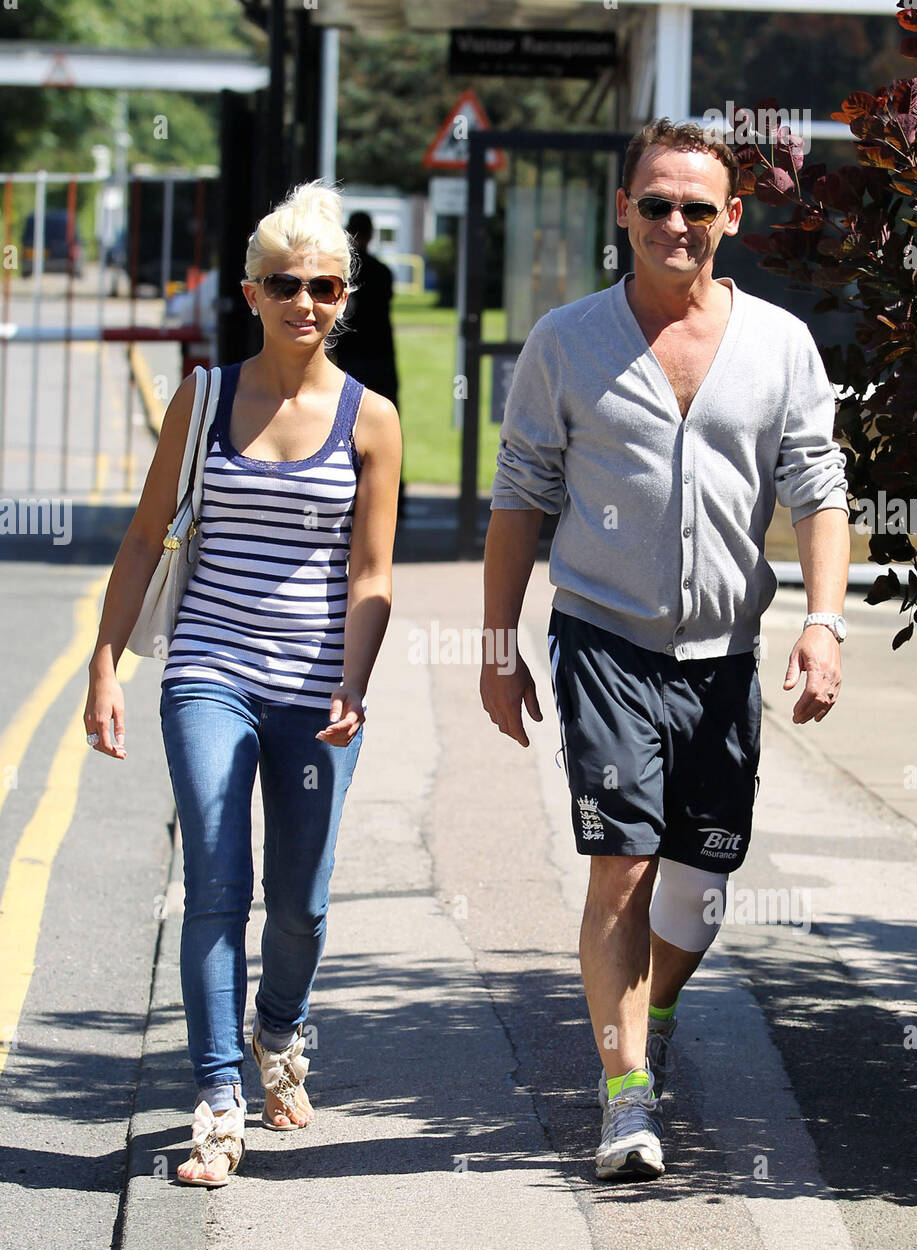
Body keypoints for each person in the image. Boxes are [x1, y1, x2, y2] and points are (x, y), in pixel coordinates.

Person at [480, 118, 850, 1181]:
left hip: (726, 651)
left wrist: (823, 622)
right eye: (656, 204)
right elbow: (520, 497)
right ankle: (625, 1093)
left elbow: (819, 492)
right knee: (625, 865)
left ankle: (663, 1002)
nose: (676, 223)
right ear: (624, 214)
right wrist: (500, 645)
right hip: (605, 639)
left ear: (733, 218)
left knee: (701, 883)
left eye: (698, 207)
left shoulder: (780, 345)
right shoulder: (566, 341)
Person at [83, 180, 402, 1186]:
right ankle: (218, 1099)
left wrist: (356, 679)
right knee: (218, 884)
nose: (303, 301)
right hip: (209, 671)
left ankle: (281, 1029)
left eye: (322, 284)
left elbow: (371, 575)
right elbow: (144, 538)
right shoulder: (204, 397)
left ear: (344, 295)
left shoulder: (375, 420)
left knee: (300, 902)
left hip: (317, 685)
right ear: (250, 293)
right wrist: (105, 662)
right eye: (283, 283)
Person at [336, 212, 405, 516]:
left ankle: (352, 493)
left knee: (348, 427)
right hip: (381, 356)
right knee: (387, 428)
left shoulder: (346, 275)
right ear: (372, 234)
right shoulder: (383, 272)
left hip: (353, 357)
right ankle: (394, 499)